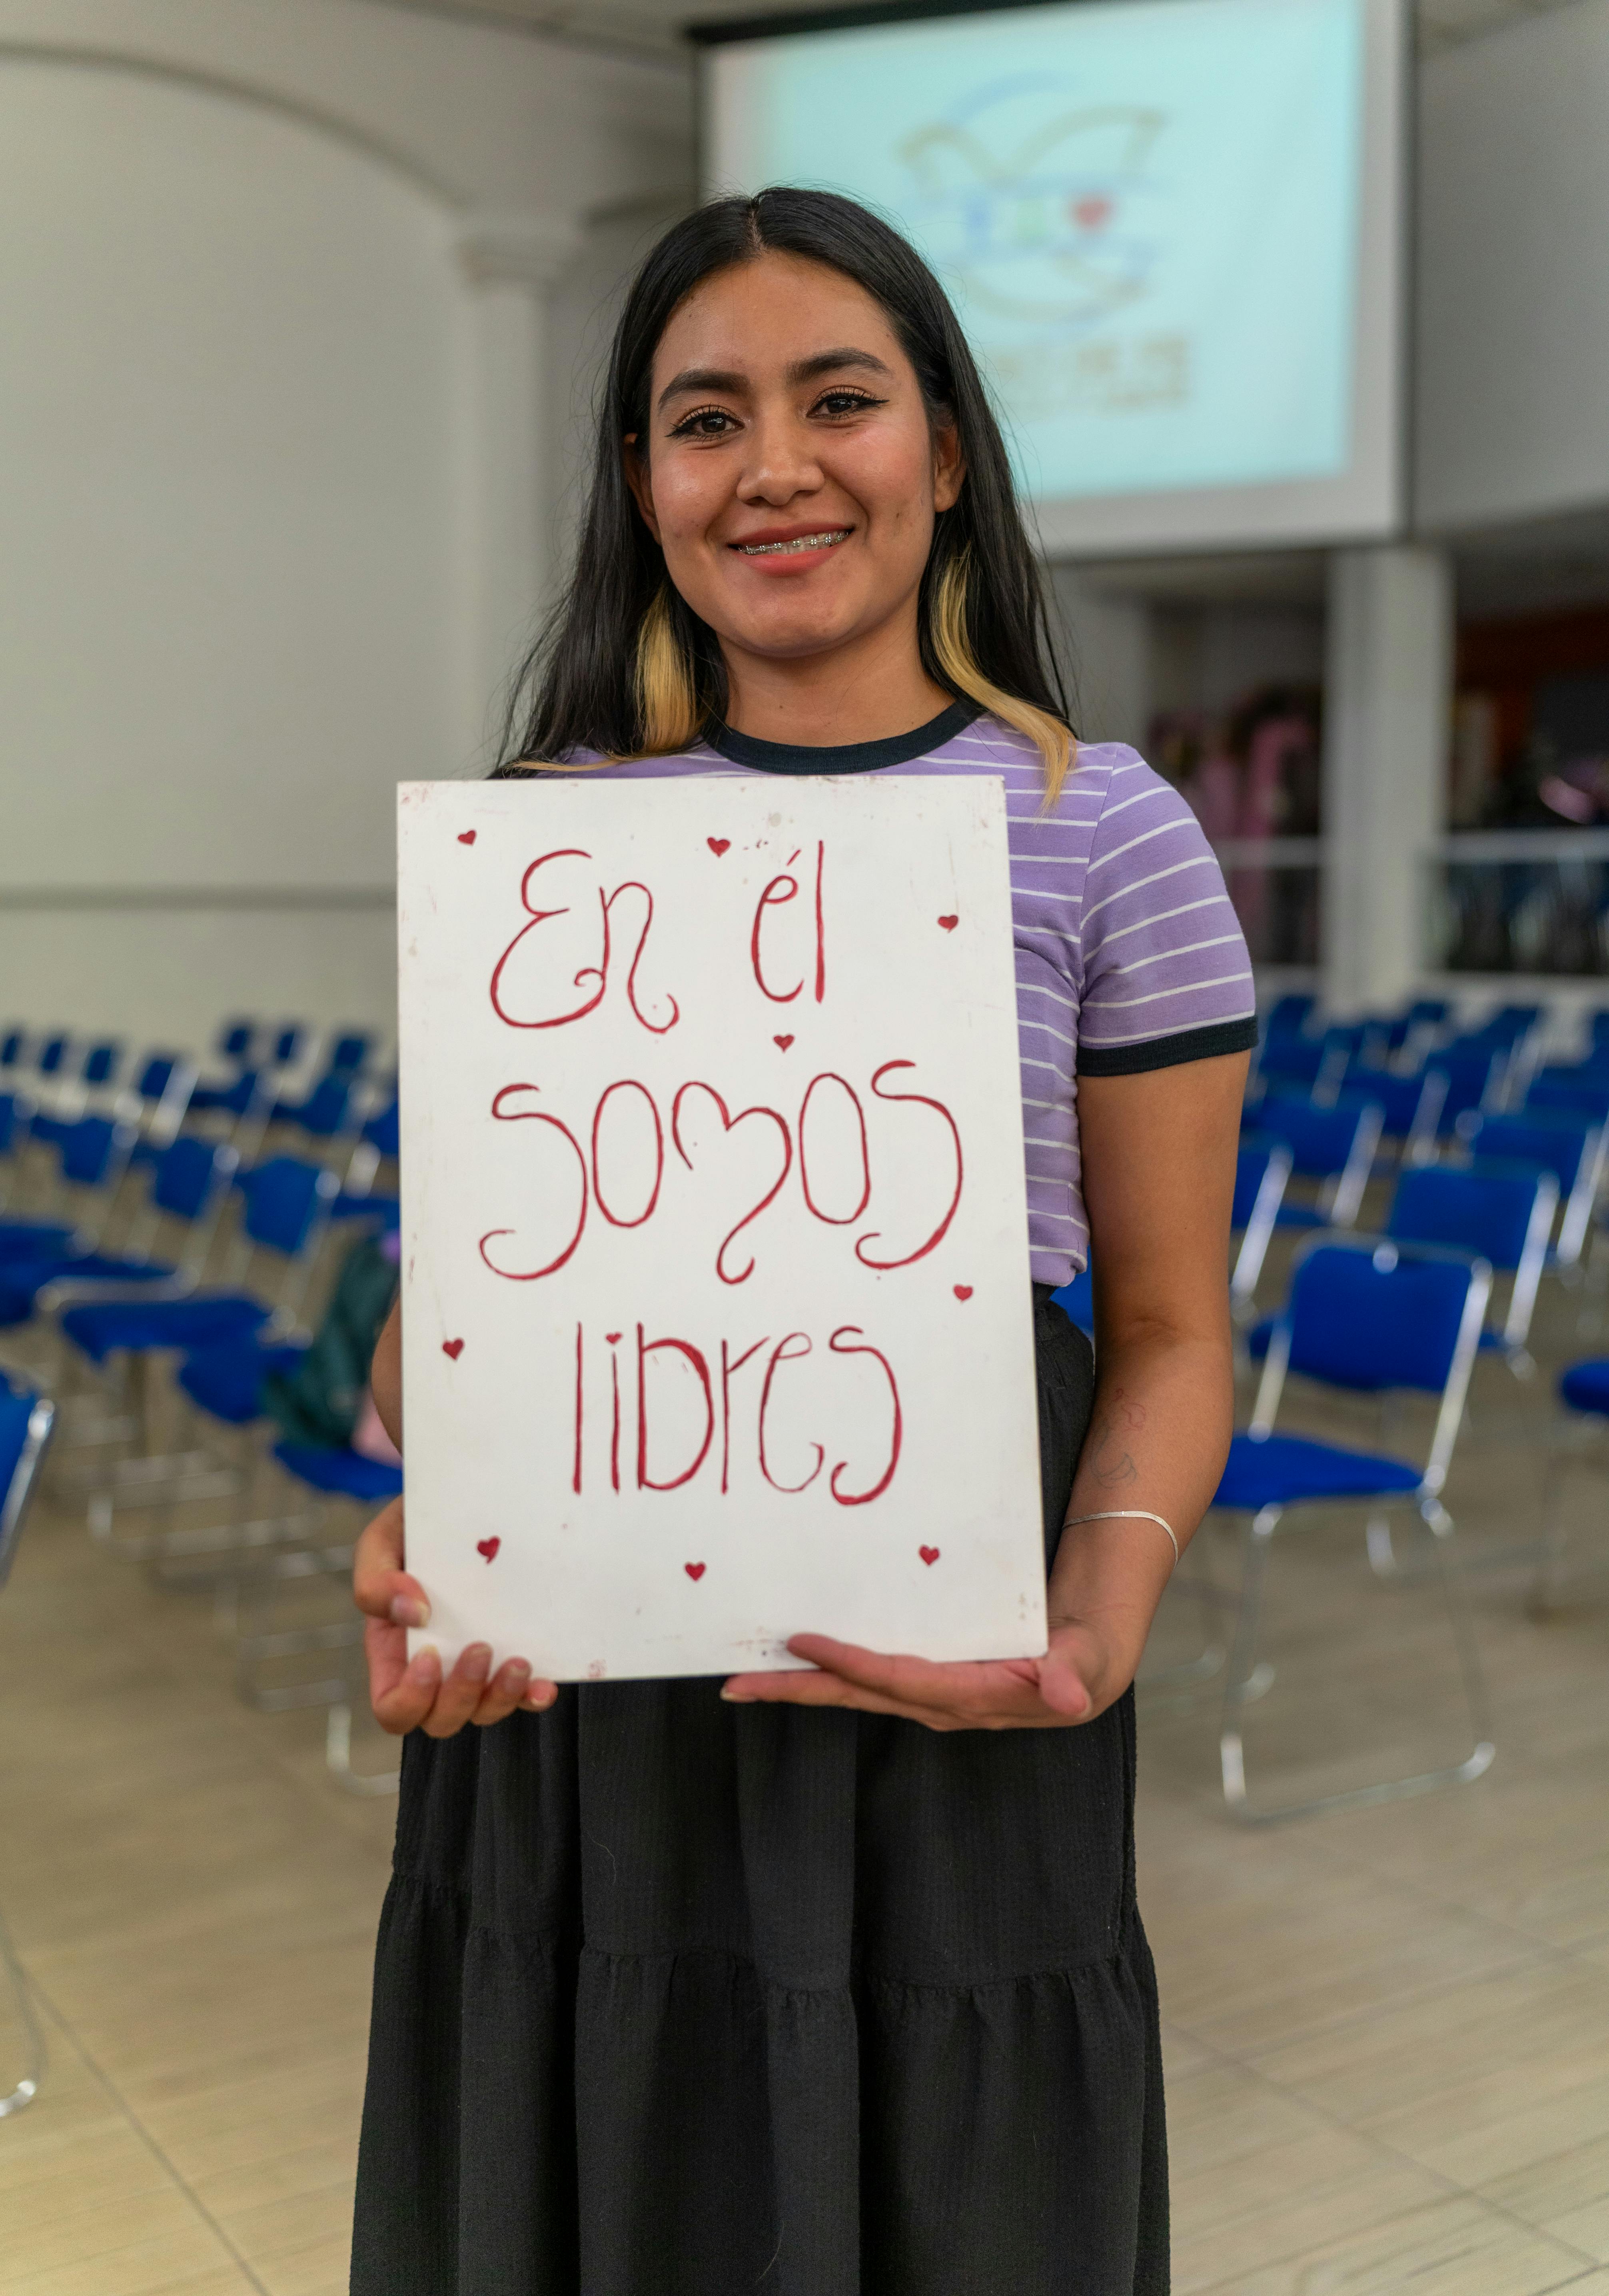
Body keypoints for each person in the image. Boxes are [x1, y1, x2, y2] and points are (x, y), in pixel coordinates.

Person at [349, 188, 1254, 2296]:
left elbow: (1170, 1330)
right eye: (700, 420)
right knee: (604, 2167)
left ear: (941, 449)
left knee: (953, 2191)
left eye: (834, 400)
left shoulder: (1099, 823)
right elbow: (436, 1343)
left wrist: (1094, 1623)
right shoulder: (541, 830)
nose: (768, 466)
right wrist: (412, 1526)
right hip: (584, 1717)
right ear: (641, 485)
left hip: (954, 1655)